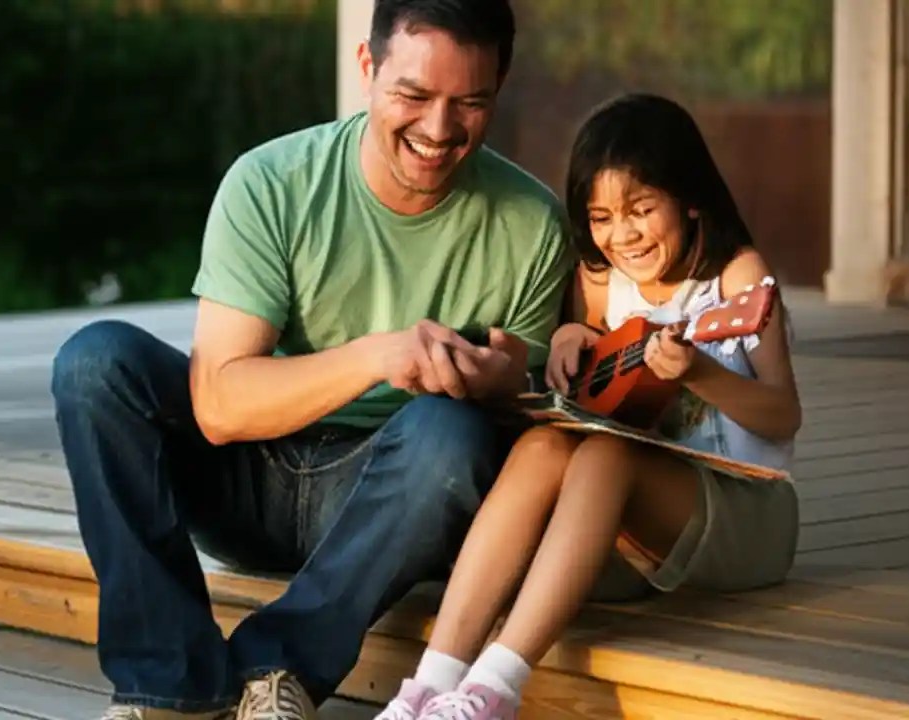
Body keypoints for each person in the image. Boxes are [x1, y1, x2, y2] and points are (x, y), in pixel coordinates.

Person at [50, 1, 575, 719]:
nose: (439, 128)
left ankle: (278, 669)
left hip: (388, 502)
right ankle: (168, 684)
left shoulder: (533, 226)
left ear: (500, 90)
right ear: (368, 67)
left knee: (454, 433)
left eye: (470, 103)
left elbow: (529, 417)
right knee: (94, 363)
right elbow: (221, 405)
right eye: (413, 96)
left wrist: (495, 384)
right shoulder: (272, 182)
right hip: (245, 477)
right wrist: (377, 357)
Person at [371, 92, 803, 720]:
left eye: (641, 210)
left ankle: (492, 692)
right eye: (600, 217)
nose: (621, 235)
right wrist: (572, 337)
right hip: (628, 531)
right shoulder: (601, 276)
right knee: (543, 444)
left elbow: (783, 415)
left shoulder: (737, 278)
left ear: (688, 196)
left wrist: (701, 371)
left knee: (606, 454)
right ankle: (426, 690)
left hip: (748, 514)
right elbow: (592, 374)